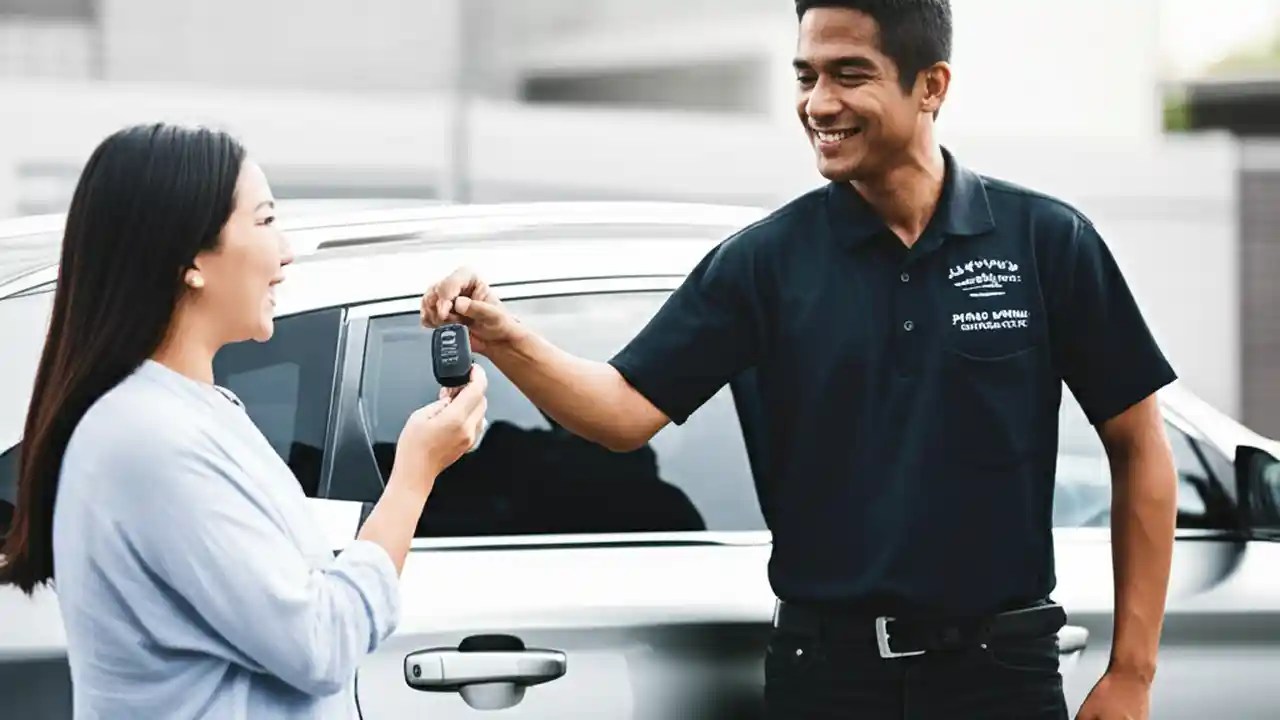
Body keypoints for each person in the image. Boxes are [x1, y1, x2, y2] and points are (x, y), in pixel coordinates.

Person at [421, 1, 1180, 718]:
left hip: (1003, 678)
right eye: (805, 75)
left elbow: (1139, 444)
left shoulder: (1046, 242)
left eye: (849, 74)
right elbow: (621, 412)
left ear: (931, 86)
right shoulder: (764, 264)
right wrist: (507, 337)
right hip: (829, 679)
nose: (818, 103)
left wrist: (1132, 671)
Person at [0, 123, 488, 719]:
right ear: (190, 261)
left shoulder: (190, 413)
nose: (286, 251)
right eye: (264, 221)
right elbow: (320, 643)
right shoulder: (148, 442)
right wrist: (415, 473)